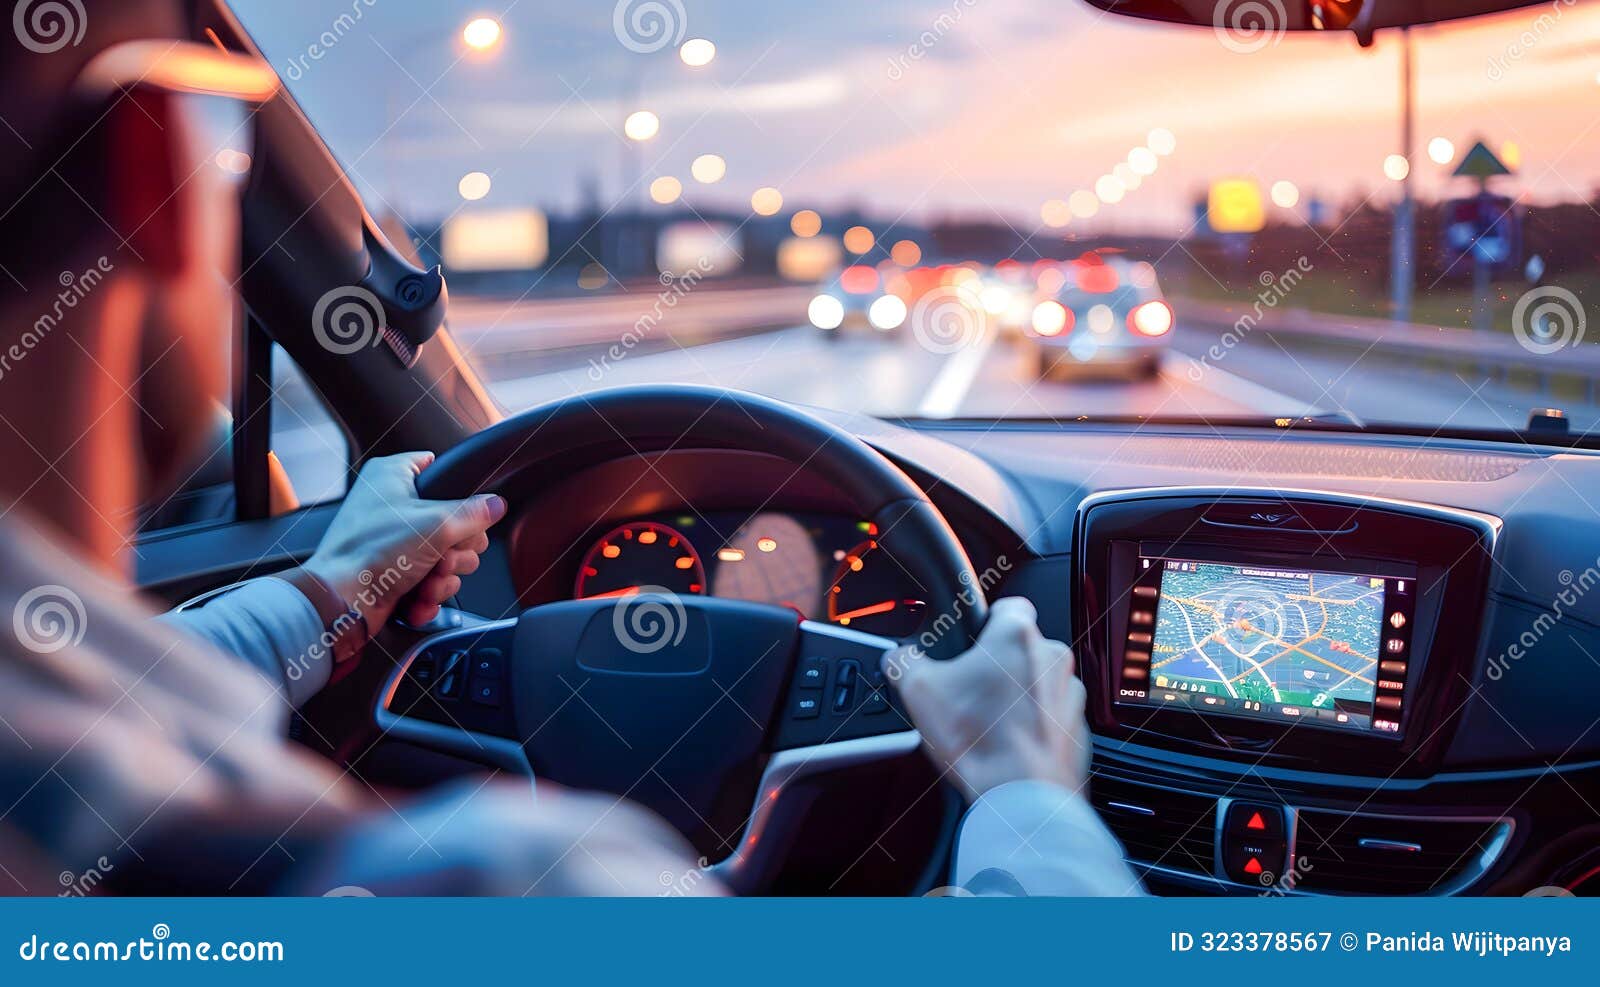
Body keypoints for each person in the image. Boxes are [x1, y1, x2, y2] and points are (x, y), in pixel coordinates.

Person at [0, 0, 1141, 897]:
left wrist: (332, 593)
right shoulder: (508, 885)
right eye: (221, 143)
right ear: (156, 164)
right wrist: (1021, 786)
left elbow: (130, 690)